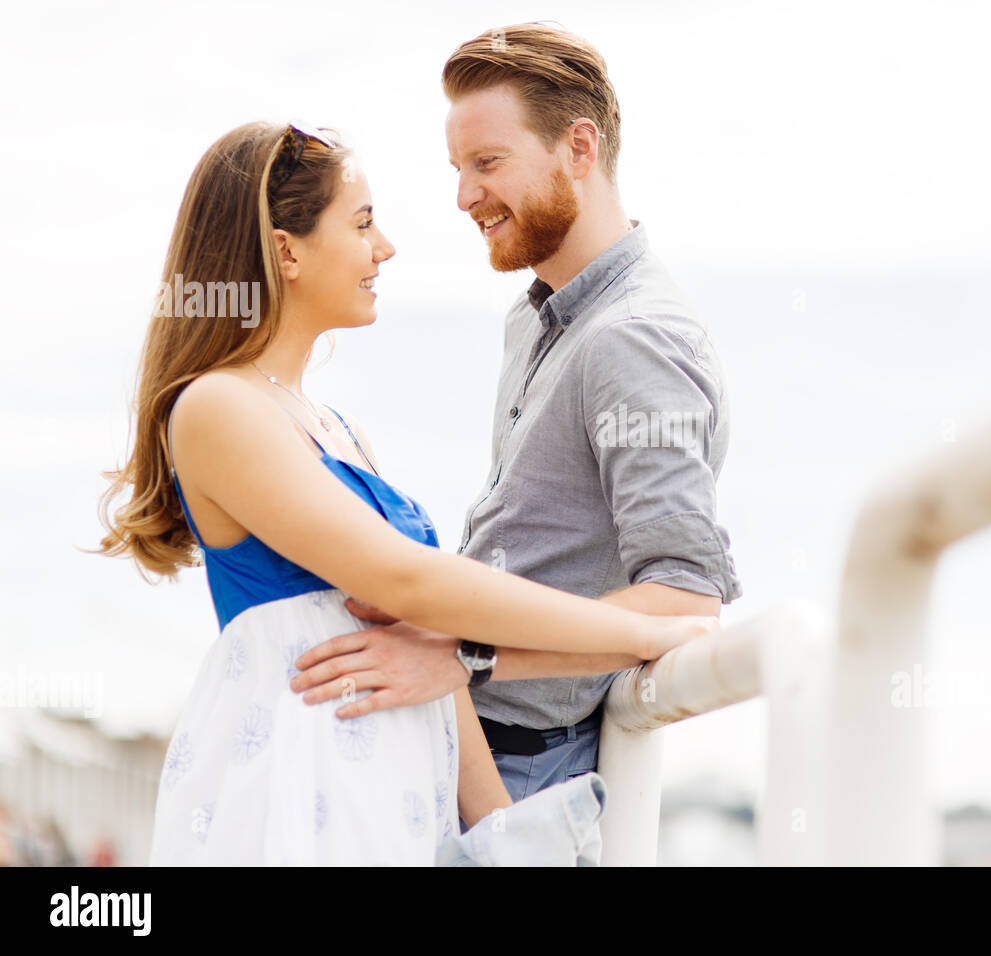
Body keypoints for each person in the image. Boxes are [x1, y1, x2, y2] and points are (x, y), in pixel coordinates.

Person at [95, 121, 714, 865]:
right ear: (286, 250)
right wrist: (638, 633)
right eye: (362, 224)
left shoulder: (338, 431)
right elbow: (410, 581)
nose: (384, 247)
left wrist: (500, 830)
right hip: (298, 791)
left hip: (392, 801)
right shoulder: (217, 408)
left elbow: (422, 637)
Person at [291, 23, 742, 806]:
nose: (464, 195)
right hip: (459, 733)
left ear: (578, 148)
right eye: (459, 168)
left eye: (487, 163)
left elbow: (685, 598)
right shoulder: (532, 320)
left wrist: (466, 652)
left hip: (526, 766)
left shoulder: (634, 338)